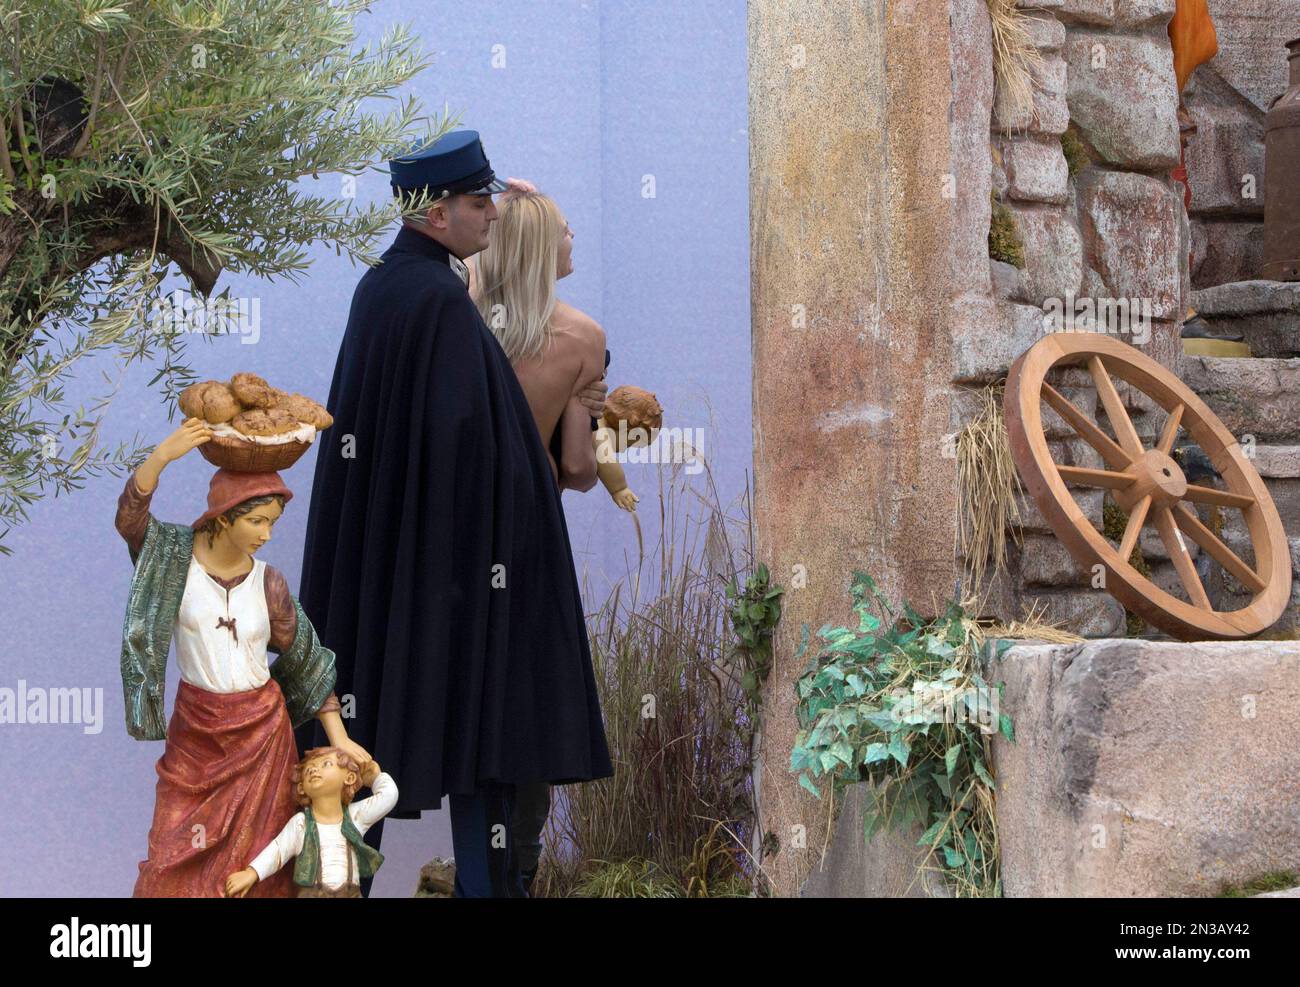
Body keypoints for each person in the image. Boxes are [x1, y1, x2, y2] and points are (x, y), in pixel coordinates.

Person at [295, 130, 614, 898]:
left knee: (368, 747)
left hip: (400, 571)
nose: (492, 217)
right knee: (487, 755)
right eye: (480, 204)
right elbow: (465, 445)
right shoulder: (437, 299)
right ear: (436, 213)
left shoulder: (391, 285)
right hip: (458, 577)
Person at [115, 418, 364, 897]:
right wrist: (162, 455)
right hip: (197, 734)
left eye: (272, 522)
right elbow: (130, 521)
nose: (267, 534)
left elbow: (309, 659)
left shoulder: (269, 583)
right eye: (258, 521)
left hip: (263, 738)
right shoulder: (170, 559)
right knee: (171, 853)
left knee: (261, 858)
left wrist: (340, 739)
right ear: (224, 515)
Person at [470, 185, 614, 894]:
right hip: (533, 539)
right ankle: (519, 871)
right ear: (540, 247)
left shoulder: (467, 316)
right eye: (562, 228)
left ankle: (478, 867)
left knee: (475, 697)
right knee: (532, 706)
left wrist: (513, 193)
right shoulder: (583, 338)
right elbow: (581, 470)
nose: (573, 235)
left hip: (464, 538)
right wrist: (586, 410)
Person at [224, 748, 398, 898]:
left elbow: (388, 797)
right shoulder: (301, 824)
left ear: (350, 777)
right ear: (301, 788)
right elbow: (278, 849)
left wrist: (376, 778)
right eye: (308, 770)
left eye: (326, 764)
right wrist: (252, 873)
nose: (314, 770)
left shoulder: (355, 816)